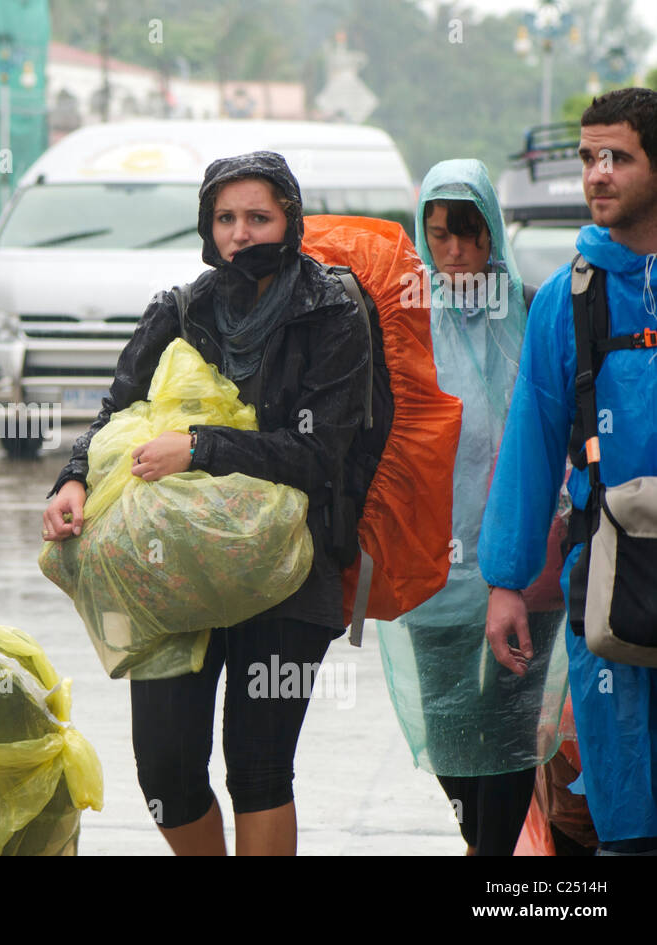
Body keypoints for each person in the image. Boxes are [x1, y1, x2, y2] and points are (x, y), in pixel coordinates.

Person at [43, 151, 371, 855]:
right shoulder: (183, 307)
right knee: (165, 769)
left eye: (259, 216)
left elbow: (318, 455)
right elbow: (117, 409)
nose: (240, 233)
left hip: (290, 566)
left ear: (291, 219)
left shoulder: (334, 313)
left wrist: (200, 446)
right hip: (170, 563)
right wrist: (72, 480)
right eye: (225, 218)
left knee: (258, 768)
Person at [481, 87, 657, 855]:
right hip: (608, 585)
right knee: (625, 807)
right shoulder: (566, 300)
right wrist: (505, 582)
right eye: (589, 158)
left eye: (616, 156)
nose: (597, 173)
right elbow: (529, 447)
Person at [377, 159, 568, 856]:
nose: (455, 252)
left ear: (491, 232)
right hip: (436, 559)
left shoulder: (532, 307)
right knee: (450, 725)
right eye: (440, 236)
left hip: (527, 551)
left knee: (512, 717)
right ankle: (480, 843)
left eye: (468, 233)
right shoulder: (407, 324)